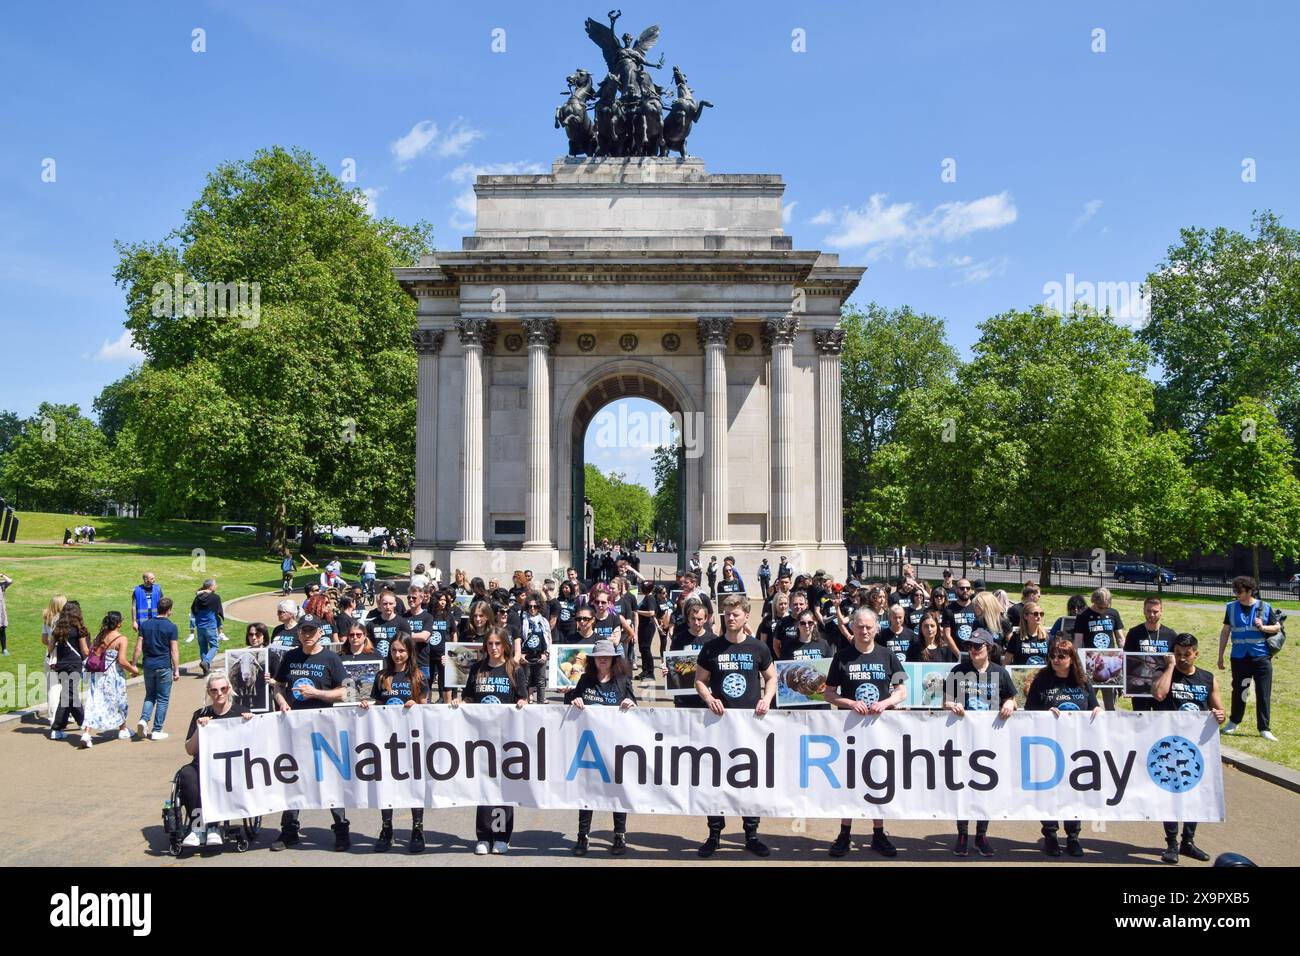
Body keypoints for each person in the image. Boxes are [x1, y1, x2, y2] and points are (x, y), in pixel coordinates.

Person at [693, 594, 776, 858]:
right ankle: (714, 833)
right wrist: (709, 698)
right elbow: (700, 680)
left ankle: (751, 834)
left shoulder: (758, 648)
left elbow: (771, 677)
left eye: (736, 613)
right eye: (727, 613)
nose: (730, 617)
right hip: (718, 725)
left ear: (745, 617)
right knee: (715, 780)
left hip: (750, 726)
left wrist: (766, 698)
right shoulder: (711, 647)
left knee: (749, 781)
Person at [823, 608, 907, 858]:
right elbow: (828, 693)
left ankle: (879, 834)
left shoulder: (888, 655)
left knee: (878, 781)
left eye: (869, 626)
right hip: (849, 730)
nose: (864, 630)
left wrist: (886, 702)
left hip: (879, 731)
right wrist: (849, 703)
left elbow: (902, 689)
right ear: (853, 627)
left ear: (877, 628)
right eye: (859, 626)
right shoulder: (842, 657)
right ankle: (844, 834)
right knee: (849, 782)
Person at [270, 614, 351, 851]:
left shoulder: (330, 658)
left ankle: (341, 828)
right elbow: (279, 684)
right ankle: (289, 830)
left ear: (319, 633)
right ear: (298, 634)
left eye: (311, 631)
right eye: (303, 631)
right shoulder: (290, 656)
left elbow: (345, 691)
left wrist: (317, 694)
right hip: (294, 726)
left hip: (324, 726)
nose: (307, 635)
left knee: (329, 778)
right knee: (293, 776)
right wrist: (281, 701)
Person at [1023, 639, 1100, 857]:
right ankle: (1050, 835)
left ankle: (1073, 837)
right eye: (1053, 656)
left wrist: (1098, 711)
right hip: (1048, 747)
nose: (1056, 660)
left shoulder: (1083, 682)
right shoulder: (1042, 681)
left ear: (1071, 659)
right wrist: (1046, 713)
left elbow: (1093, 705)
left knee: (1074, 792)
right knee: (1050, 793)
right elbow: (1030, 711)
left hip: (1078, 749)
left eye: (1061, 656)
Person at [454, 627, 528, 855]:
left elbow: (523, 697)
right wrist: (461, 703)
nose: (494, 648)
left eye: (498, 644)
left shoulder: (514, 669)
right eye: (490, 644)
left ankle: (502, 837)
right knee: (484, 787)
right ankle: (484, 836)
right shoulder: (478, 669)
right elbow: (468, 697)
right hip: (480, 739)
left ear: (505, 645)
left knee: (504, 787)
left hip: (507, 739)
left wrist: (524, 703)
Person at [944, 629, 1016, 856]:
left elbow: (1011, 697)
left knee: (986, 787)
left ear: (989, 648)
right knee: (963, 786)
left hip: (991, 741)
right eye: (970, 647)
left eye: (978, 646)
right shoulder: (958, 671)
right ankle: (962, 834)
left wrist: (1010, 704)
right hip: (963, 739)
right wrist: (951, 705)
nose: (973, 650)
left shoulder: (1000, 672)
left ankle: (981, 835)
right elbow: (945, 700)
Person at [1153, 633, 1223, 863]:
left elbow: (1219, 711)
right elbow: (1159, 694)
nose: (1182, 658)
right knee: (1172, 795)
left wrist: (1220, 714)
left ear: (1196, 654)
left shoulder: (1208, 678)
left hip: (1197, 748)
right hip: (1170, 745)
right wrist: (1170, 667)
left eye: (1187, 654)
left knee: (1195, 796)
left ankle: (1188, 842)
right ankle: (1171, 844)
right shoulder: (1167, 675)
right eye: (1178, 654)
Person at [565, 639, 637, 856]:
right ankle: (582, 836)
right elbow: (570, 705)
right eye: (599, 656)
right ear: (593, 659)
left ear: (614, 658)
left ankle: (619, 835)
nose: (603, 659)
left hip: (616, 746)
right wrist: (575, 700)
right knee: (587, 791)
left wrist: (631, 704)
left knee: (617, 791)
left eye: (607, 656)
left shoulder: (622, 680)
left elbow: (636, 710)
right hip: (589, 746)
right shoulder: (585, 680)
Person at [360, 633, 429, 853]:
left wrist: (416, 704)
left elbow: (426, 708)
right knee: (386, 784)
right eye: (394, 651)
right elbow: (377, 703)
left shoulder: (417, 676)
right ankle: (386, 828)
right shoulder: (382, 676)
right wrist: (366, 704)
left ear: (409, 653)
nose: (397, 655)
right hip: (386, 740)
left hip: (411, 740)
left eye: (401, 651)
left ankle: (417, 829)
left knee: (414, 784)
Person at [178, 670, 254, 847]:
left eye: (223, 689)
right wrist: (199, 729)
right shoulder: (200, 714)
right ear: (208, 692)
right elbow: (189, 749)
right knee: (187, 775)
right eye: (214, 690)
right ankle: (198, 826)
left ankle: (212, 826)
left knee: (219, 776)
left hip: (231, 764)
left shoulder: (241, 712)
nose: (219, 694)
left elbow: (254, 745)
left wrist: (251, 724)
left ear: (229, 689)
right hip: (203, 763)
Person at [1218, 575, 1281, 740]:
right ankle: (1234, 722)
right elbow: (1225, 632)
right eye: (1235, 591)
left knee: (1263, 692)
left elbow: (1277, 628)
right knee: (1240, 690)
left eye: (1240, 591)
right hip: (1239, 657)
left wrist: (1263, 626)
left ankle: (1264, 728)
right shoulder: (1231, 608)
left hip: (1261, 657)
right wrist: (1220, 656)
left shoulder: (1265, 607)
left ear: (1250, 590)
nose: (1237, 594)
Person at [80, 611, 137, 748]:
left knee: (94, 702)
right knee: (119, 701)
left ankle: (87, 733)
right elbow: (122, 661)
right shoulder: (121, 639)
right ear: (118, 623)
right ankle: (122, 729)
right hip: (113, 675)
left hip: (98, 673)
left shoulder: (100, 635)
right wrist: (133, 669)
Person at [131, 597, 180, 740]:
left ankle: (144, 719)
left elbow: (138, 647)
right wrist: (176, 669)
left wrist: (134, 664)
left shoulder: (145, 625)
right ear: (169, 610)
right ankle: (157, 729)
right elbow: (174, 650)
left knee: (150, 695)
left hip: (148, 665)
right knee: (163, 699)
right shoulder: (171, 627)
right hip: (163, 666)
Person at [1073, 588, 1125, 711]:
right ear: (1094, 601)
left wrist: (1125, 654)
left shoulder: (1113, 613)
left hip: (1109, 662)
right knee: (1088, 699)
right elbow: (1078, 641)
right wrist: (1076, 661)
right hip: (1091, 662)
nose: (1103, 610)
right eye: (1100, 607)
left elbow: (1120, 638)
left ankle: (1110, 725)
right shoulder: (1083, 616)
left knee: (1109, 702)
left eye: (1106, 607)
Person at [1123, 597, 1178, 712]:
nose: (1152, 615)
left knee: (1162, 722)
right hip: (1140, 688)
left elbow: (1175, 662)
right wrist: (1126, 684)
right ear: (1143, 610)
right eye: (1149, 611)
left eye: (1155, 611)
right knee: (1140, 723)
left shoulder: (1170, 634)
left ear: (1161, 611)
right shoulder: (1134, 633)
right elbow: (1127, 660)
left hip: (1162, 688)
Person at [48, 602, 90, 740]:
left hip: (60, 665)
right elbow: (84, 650)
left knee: (68, 694)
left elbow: (50, 647)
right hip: (74, 664)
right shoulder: (79, 629)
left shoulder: (58, 628)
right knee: (68, 695)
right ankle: (58, 727)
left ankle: (79, 721)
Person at [515, 592, 551, 703]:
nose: (532, 609)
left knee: (541, 682)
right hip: (526, 655)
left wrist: (546, 654)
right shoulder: (523, 620)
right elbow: (519, 638)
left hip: (540, 655)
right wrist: (520, 654)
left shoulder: (543, 622)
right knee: (525, 681)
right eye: (530, 606)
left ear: (539, 607)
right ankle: (524, 702)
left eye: (535, 606)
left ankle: (540, 703)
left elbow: (548, 639)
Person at [40, 594, 68, 720]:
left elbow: (44, 639)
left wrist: (52, 645)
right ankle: (59, 717)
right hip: (63, 655)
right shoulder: (64, 620)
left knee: (53, 687)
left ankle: (56, 716)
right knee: (64, 686)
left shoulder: (47, 618)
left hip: (50, 656)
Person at [190, 578, 224, 677]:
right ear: (210, 587)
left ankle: (206, 670)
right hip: (210, 626)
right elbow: (218, 612)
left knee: (203, 647)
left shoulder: (198, 598)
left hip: (200, 626)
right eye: (215, 585)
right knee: (214, 646)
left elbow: (193, 610)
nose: (216, 586)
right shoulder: (215, 597)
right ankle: (206, 662)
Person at [367, 590, 412, 661]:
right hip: (378, 662)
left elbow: (408, 646)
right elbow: (368, 647)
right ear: (379, 604)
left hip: (397, 662)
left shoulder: (403, 623)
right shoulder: (371, 624)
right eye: (385, 604)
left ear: (395, 604)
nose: (388, 606)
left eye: (391, 603)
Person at [1004, 601, 1051, 666]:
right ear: (1025, 616)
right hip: (1021, 675)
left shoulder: (1047, 637)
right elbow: (1007, 660)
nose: (1039, 617)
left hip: (1042, 675)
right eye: (1035, 614)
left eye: (1041, 614)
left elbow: (1051, 660)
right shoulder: (1016, 637)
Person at [943, 578, 980, 653]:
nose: (965, 590)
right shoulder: (949, 609)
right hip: (955, 653)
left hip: (975, 651)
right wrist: (958, 654)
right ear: (956, 590)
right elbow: (947, 635)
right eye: (962, 588)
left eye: (968, 588)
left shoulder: (977, 607)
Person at [0, 570, 10, 655]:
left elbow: (10, 581)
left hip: (1, 612)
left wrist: (2, 575)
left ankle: (4, 649)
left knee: (2, 630)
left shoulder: (2, 585)